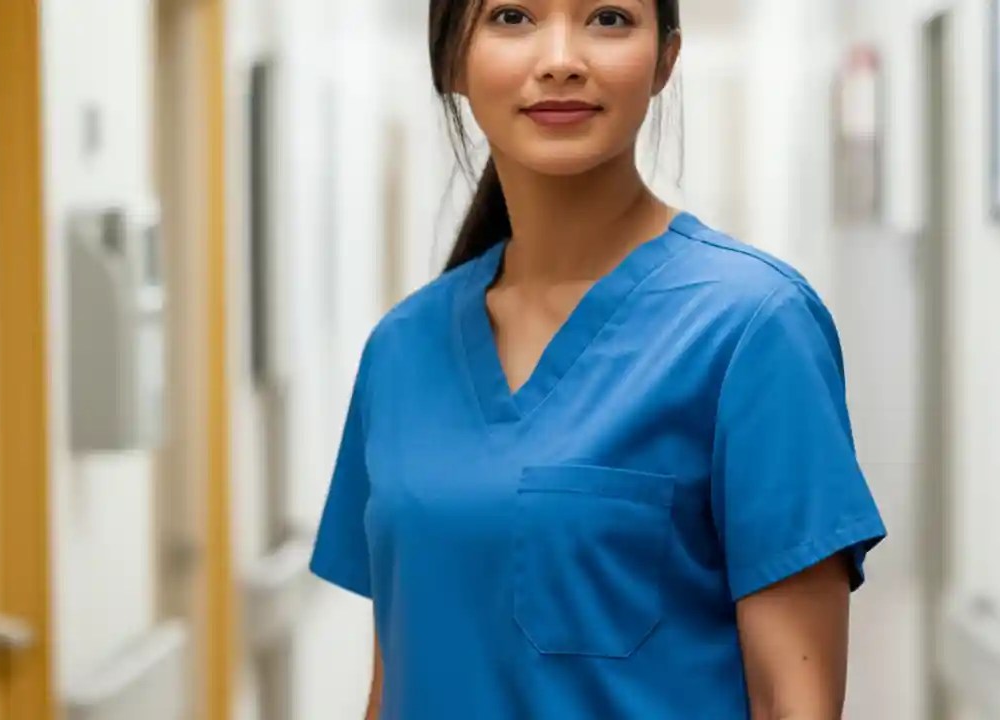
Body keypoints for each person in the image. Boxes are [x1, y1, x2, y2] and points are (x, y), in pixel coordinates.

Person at [309, 1, 886, 717]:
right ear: (450, 61)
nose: (560, 58)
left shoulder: (750, 327)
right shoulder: (402, 349)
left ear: (666, 60)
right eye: (512, 16)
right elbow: (396, 677)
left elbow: (792, 703)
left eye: (609, 18)